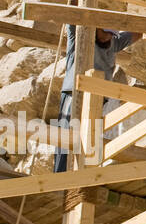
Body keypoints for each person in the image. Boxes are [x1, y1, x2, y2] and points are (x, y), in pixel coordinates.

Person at [53, 16, 137, 173]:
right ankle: (60, 175)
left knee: (89, 138)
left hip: (99, 99)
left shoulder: (114, 43)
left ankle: (80, 178)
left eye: (111, 34)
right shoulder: (81, 38)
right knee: (67, 137)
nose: (107, 36)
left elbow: (137, 32)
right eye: (104, 32)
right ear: (95, 29)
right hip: (75, 94)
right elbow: (72, 18)